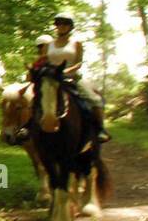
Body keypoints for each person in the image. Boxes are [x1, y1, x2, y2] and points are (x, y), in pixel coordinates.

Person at [33, 12, 110, 143]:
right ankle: (28, 129)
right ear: (56, 26)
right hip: (51, 79)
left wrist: (65, 71)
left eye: (65, 23)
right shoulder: (48, 45)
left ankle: (100, 130)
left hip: (72, 78)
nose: (61, 26)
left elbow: (79, 63)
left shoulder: (76, 43)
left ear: (70, 26)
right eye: (59, 23)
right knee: (31, 100)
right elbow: (42, 61)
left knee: (94, 99)